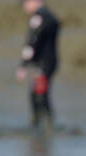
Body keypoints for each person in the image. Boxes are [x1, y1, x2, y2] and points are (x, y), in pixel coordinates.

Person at [17, 0, 59, 130]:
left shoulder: (38, 17)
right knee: (39, 93)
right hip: (50, 61)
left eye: (26, 3)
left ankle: (43, 124)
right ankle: (43, 124)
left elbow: (32, 42)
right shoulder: (51, 17)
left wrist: (23, 65)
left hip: (43, 64)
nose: (24, 7)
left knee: (39, 95)